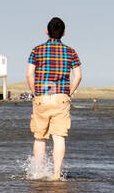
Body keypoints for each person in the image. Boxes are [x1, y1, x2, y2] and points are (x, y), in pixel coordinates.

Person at [27, 17, 82, 179]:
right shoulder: (71, 51)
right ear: (64, 33)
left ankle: (38, 172)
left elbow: (30, 74)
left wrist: (35, 91)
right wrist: (69, 93)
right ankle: (56, 175)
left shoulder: (36, 50)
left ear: (46, 31)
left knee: (40, 137)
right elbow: (78, 76)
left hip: (42, 96)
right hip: (61, 97)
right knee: (59, 137)